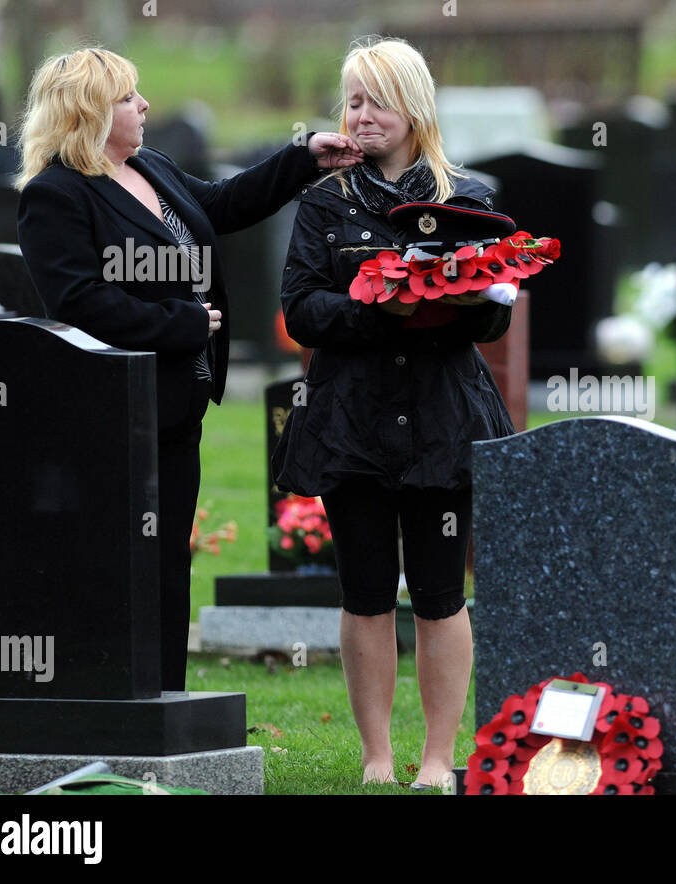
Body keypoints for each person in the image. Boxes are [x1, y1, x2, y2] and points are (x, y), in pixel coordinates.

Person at [14, 47, 364, 692]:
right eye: (127, 98)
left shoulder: (150, 166)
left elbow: (223, 206)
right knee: (117, 558)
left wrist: (302, 158)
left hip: (178, 404)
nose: (144, 105)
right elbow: (77, 300)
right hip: (113, 410)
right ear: (87, 111)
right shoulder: (56, 194)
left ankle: (163, 699)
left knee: (168, 557)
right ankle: (110, 693)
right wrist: (178, 324)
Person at [272, 36, 515, 788]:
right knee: (366, 592)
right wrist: (381, 307)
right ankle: (378, 758)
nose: (362, 114)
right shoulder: (322, 203)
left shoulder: (467, 198)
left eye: (377, 100)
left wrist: (453, 299)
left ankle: (439, 760)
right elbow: (302, 310)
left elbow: (492, 320)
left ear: (413, 108)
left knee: (441, 595)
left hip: (442, 418)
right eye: (352, 100)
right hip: (354, 421)